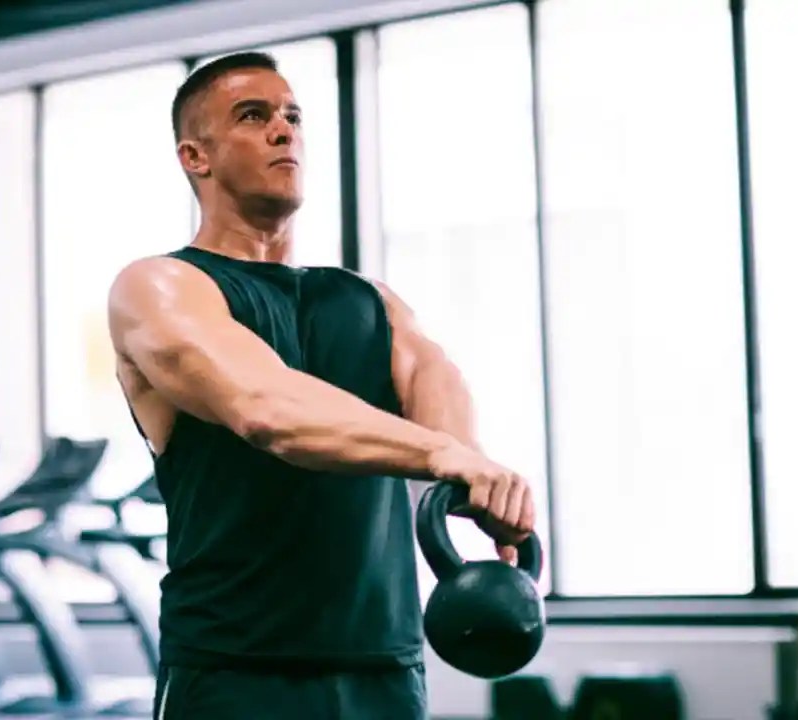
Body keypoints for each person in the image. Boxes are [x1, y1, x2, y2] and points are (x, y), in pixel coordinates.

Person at [106, 51, 537, 720]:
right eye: (254, 116)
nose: (285, 130)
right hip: (236, 675)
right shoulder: (162, 287)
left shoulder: (370, 302)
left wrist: (474, 475)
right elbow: (265, 408)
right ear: (197, 157)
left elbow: (434, 383)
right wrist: (441, 456)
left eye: (293, 116)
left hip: (382, 669)